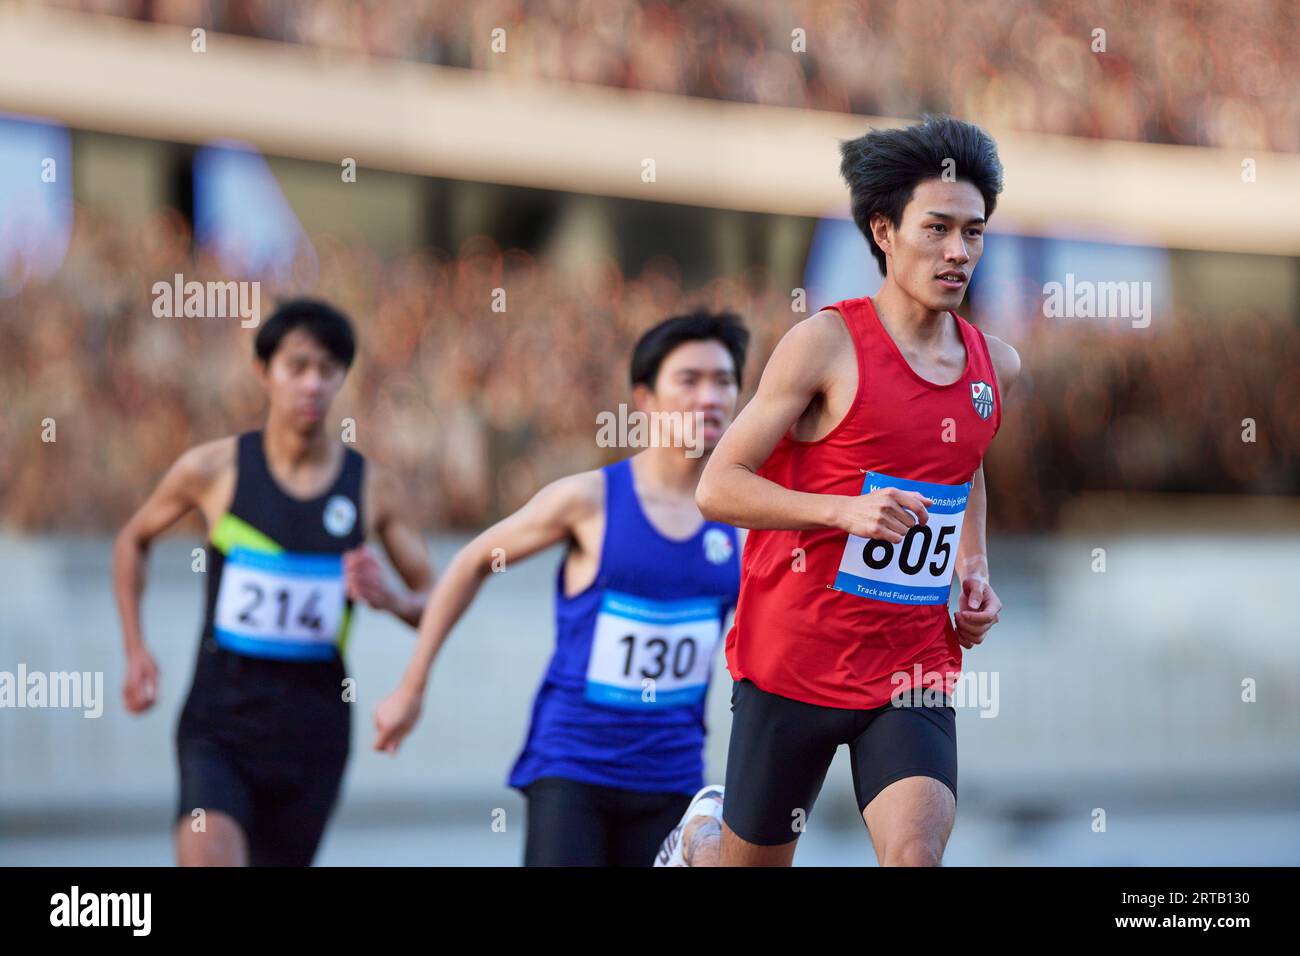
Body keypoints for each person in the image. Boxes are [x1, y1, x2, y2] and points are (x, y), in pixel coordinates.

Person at [696, 115, 1021, 866]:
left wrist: (973, 568)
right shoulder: (823, 345)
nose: (957, 252)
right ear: (883, 230)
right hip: (793, 664)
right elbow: (719, 487)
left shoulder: (994, 365)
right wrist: (844, 512)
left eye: (974, 233)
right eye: (936, 228)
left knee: (915, 855)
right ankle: (697, 838)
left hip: (911, 669)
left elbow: (964, 464)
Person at [372, 310, 748, 866]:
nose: (709, 396)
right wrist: (412, 684)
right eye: (689, 380)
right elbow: (475, 559)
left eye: (723, 381)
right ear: (644, 399)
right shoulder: (588, 500)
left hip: (673, 778)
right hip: (573, 768)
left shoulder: (742, 520)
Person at [114, 298, 434, 866]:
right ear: (265, 372)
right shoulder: (213, 471)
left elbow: (435, 599)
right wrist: (136, 648)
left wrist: (391, 599)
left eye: (328, 369)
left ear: (342, 378)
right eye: (297, 366)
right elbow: (132, 541)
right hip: (220, 725)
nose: (312, 383)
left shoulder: (371, 488)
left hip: (313, 734)